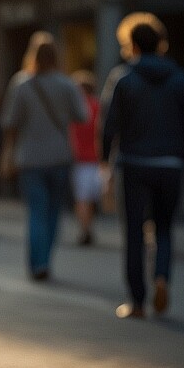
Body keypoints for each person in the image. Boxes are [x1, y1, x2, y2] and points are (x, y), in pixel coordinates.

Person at [101, 15, 184, 319]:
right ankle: (161, 277)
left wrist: (105, 162)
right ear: (160, 44)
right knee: (164, 228)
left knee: (133, 232)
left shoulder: (123, 78)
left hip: (133, 164)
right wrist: (183, 156)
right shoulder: (181, 79)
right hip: (170, 164)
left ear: (131, 44)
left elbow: (109, 126)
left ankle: (137, 302)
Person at [0, 31, 87, 280]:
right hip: (60, 157)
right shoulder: (67, 84)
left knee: (36, 212)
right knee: (53, 213)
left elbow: (9, 122)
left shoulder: (21, 84)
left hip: (29, 159)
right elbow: (82, 116)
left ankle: (37, 263)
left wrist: (8, 153)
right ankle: (46, 260)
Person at [69, 70, 102, 245]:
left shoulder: (75, 109)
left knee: (81, 198)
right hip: (96, 158)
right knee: (91, 198)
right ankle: (88, 227)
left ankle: (85, 229)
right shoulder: (98, 107)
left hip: (79, 158)